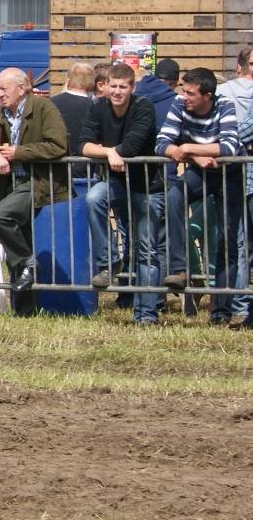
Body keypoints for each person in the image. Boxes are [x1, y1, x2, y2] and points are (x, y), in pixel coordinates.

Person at [0, 68, 69, 313]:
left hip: (36, 183)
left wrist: (19, 152)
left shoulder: (44, 108)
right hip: (10, 185)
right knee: (19, 243)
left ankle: (28, 263)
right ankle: (23, 310)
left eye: (3, 89)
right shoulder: (1, 113)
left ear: (22, 88)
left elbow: (58, 146)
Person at [156, 67, 244, 325]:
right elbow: (162, 143)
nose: (184, 97)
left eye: (190, 93)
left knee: (226, 240)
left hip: (229, 174)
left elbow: (230, 147)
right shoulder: (179, 104)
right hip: (199, 170)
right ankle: (180, 270)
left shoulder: (224, 105)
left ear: (207, 95)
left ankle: (221, 312)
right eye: (183, 91)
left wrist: (187, 147)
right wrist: (195, 156)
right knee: (175, 196)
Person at [77, 63, 161, 321]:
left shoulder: (143, 106)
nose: (117, 91)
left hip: (147, 186)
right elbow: (83, 145)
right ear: (105, 86)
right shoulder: (98, 107)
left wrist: (111, 151)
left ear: (132, 88)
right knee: (94, 197)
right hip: (115, 182)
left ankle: (146, 314)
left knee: (146, 250)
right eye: (113, 86)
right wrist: (109, 152)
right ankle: (110, 260)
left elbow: (133, 145)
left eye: (123, 87)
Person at [50, 62, 97, 149]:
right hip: (85, 155)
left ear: (68, 80)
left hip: (55, 154)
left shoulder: (50, 102)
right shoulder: (95, 107)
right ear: (92, 83)